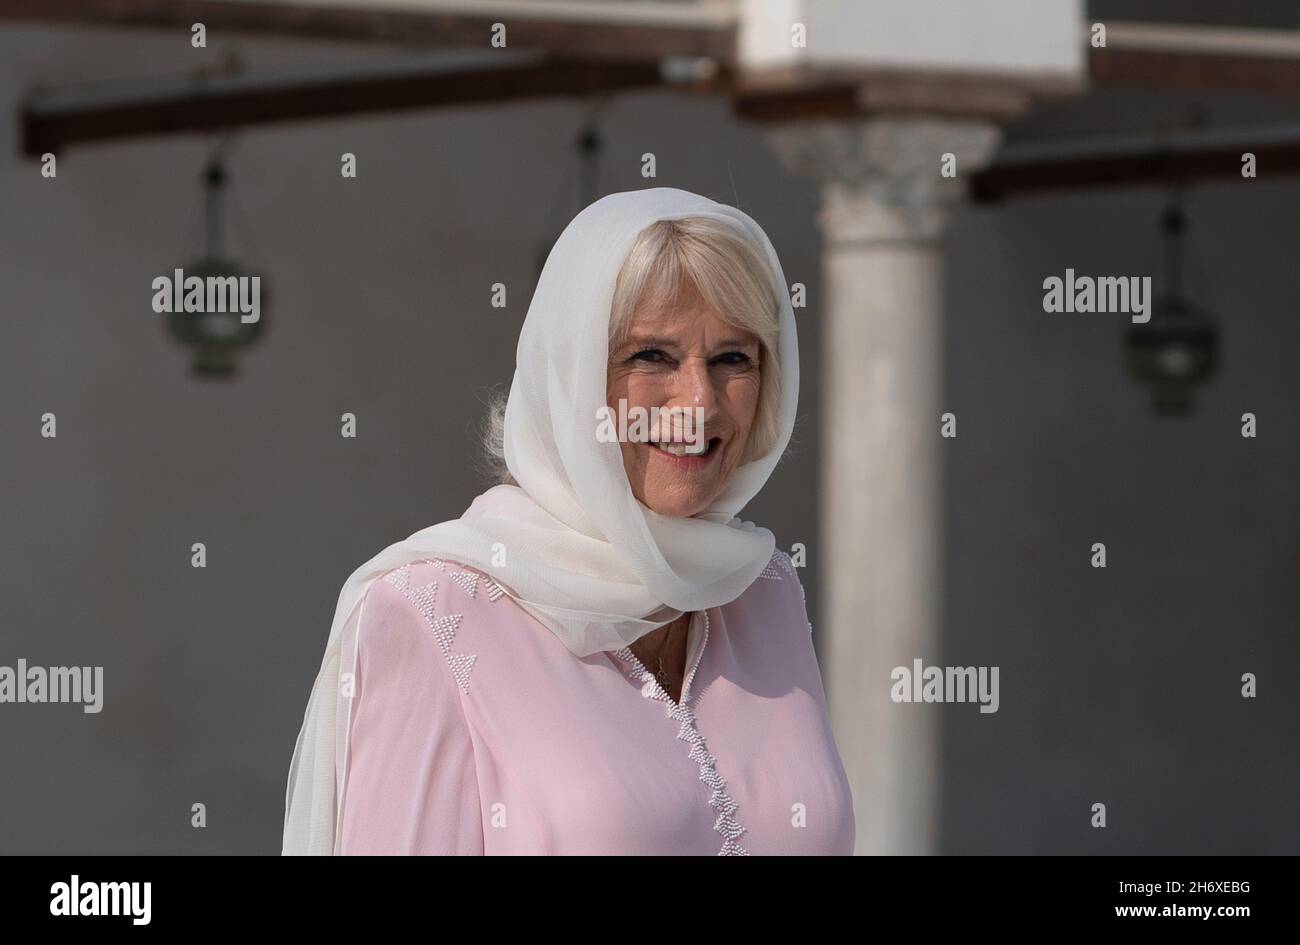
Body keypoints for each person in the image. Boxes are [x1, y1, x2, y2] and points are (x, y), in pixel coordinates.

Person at [282, 187, 855, 855]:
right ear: (573, 373)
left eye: (733, 358)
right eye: (652, 356)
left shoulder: (765, 592)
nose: (698, 400)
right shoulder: (430, 612)